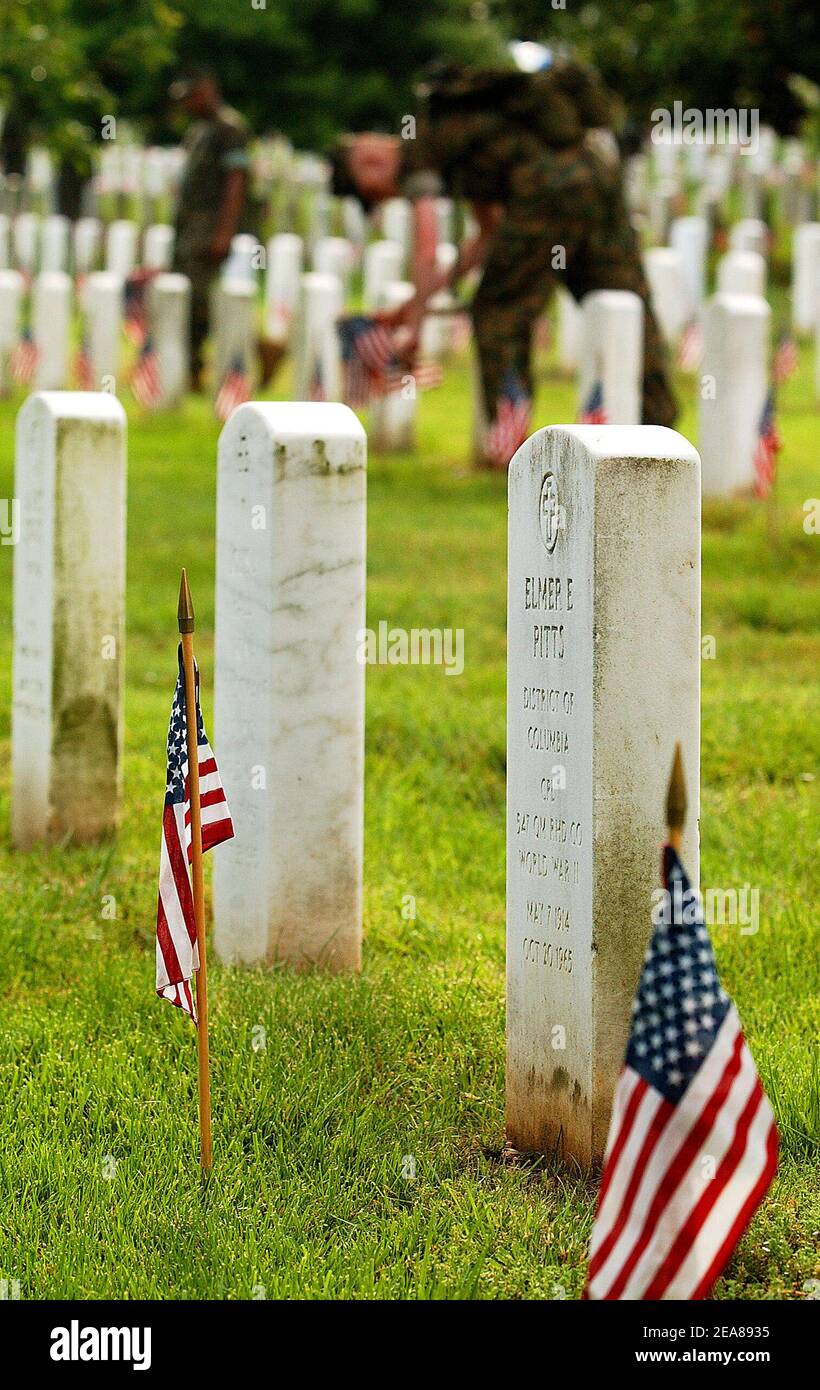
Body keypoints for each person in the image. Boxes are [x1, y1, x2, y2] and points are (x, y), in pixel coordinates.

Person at [331, 60, 677, 464]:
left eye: (370, 194)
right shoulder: (469, 133)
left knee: (499, 313)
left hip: (545, 190)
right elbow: (487, 234)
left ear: (368, 164)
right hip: (594, 174)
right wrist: (415, 307)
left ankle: (514, 452)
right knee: (623, 302)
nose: (381, 200)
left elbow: (427, 250)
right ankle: (661, 429)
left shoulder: (421, 152)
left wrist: (414, 329)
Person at [169, 68, 251, 390]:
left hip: (209, 231)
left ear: (207, 91)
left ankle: (197, 368)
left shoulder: (230, 129)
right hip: (189, 229)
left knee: (200, 304)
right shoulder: (198, 130)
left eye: (190, 97)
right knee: (187, 299)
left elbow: (236, 182)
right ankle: (189, 366)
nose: (186, 104)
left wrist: (223, 233)